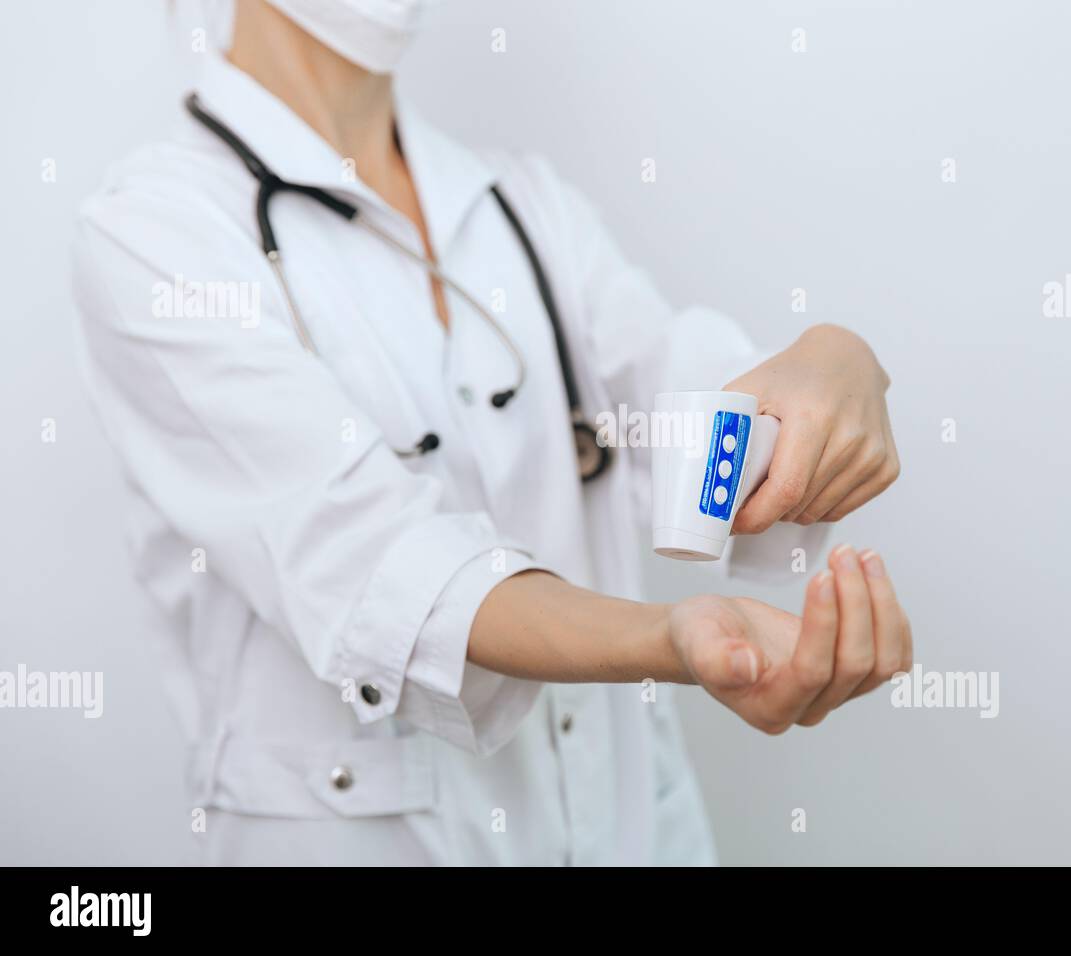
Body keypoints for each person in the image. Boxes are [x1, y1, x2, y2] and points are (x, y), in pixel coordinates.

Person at [71, 0, 908, 866]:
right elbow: (375, 564)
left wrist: (825, 367)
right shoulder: (152, 232)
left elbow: (689, 408)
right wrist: (667, 641)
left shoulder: (522, 205)